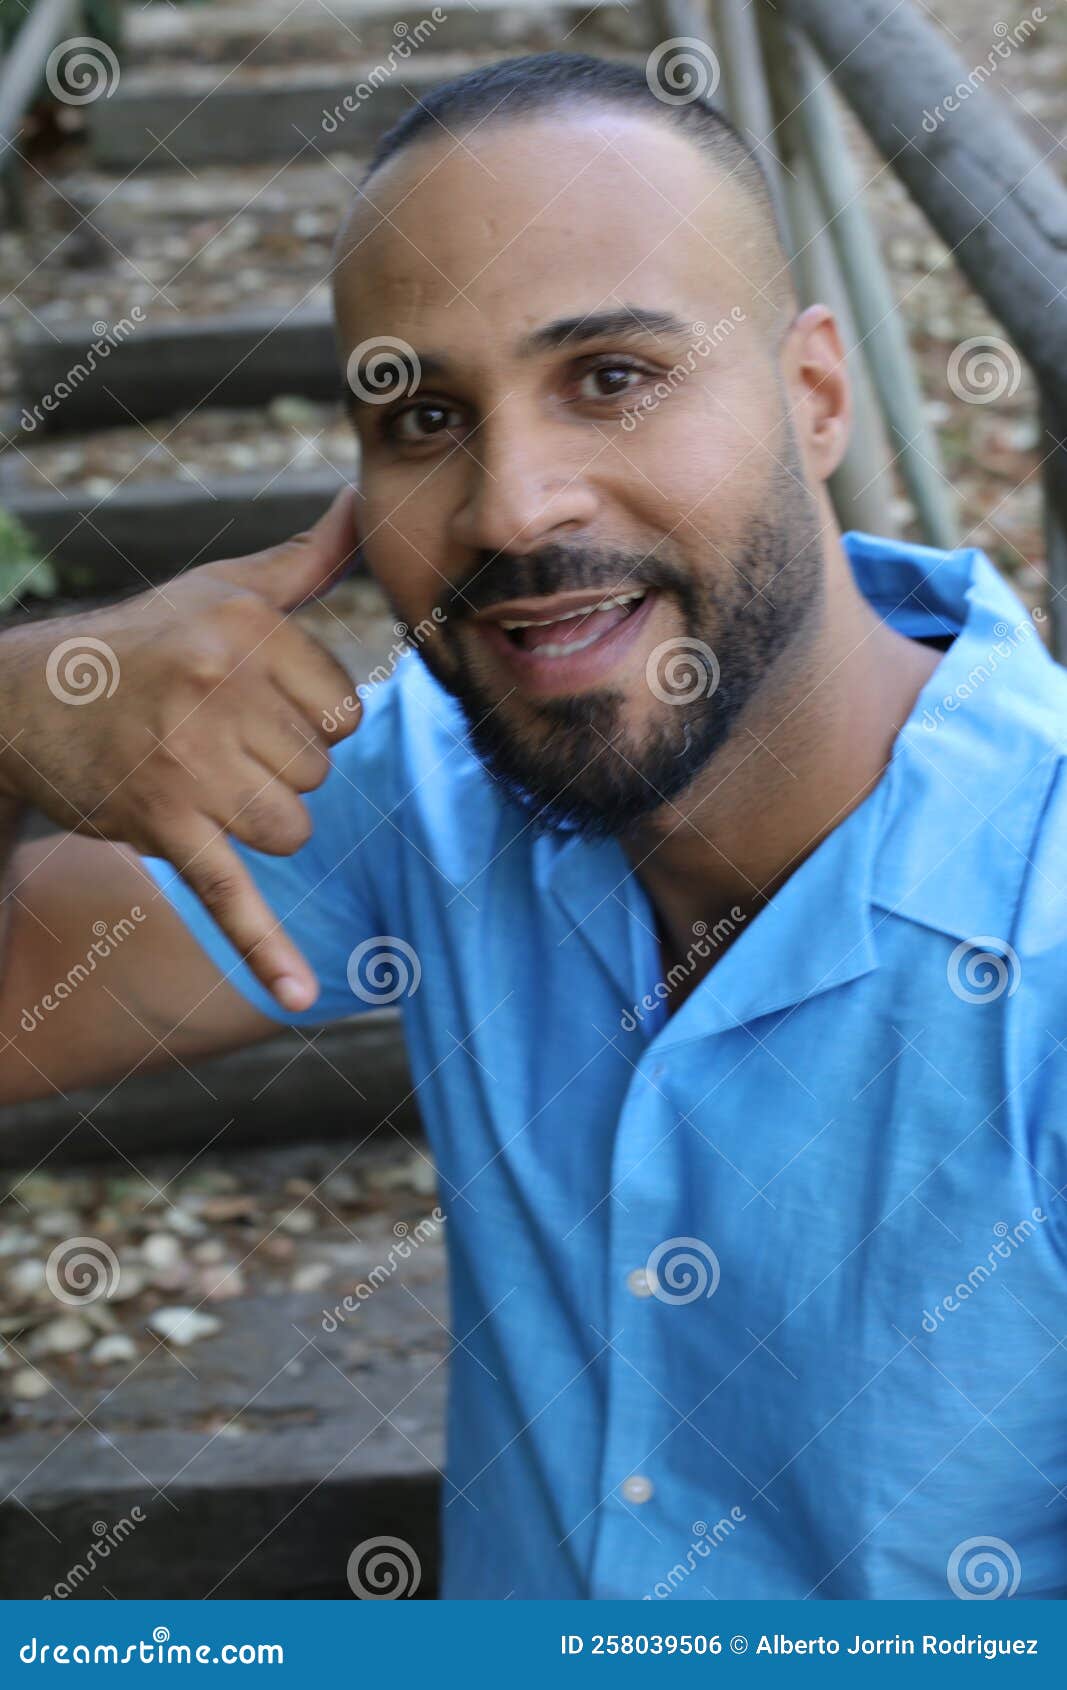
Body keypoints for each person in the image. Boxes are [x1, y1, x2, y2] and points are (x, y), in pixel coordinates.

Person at [2, 52, 1065, 1601]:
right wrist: (25, 696)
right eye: (424, 414)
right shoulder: (431, 778)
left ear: (816, 394)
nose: (511, 505)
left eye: (612, 376)